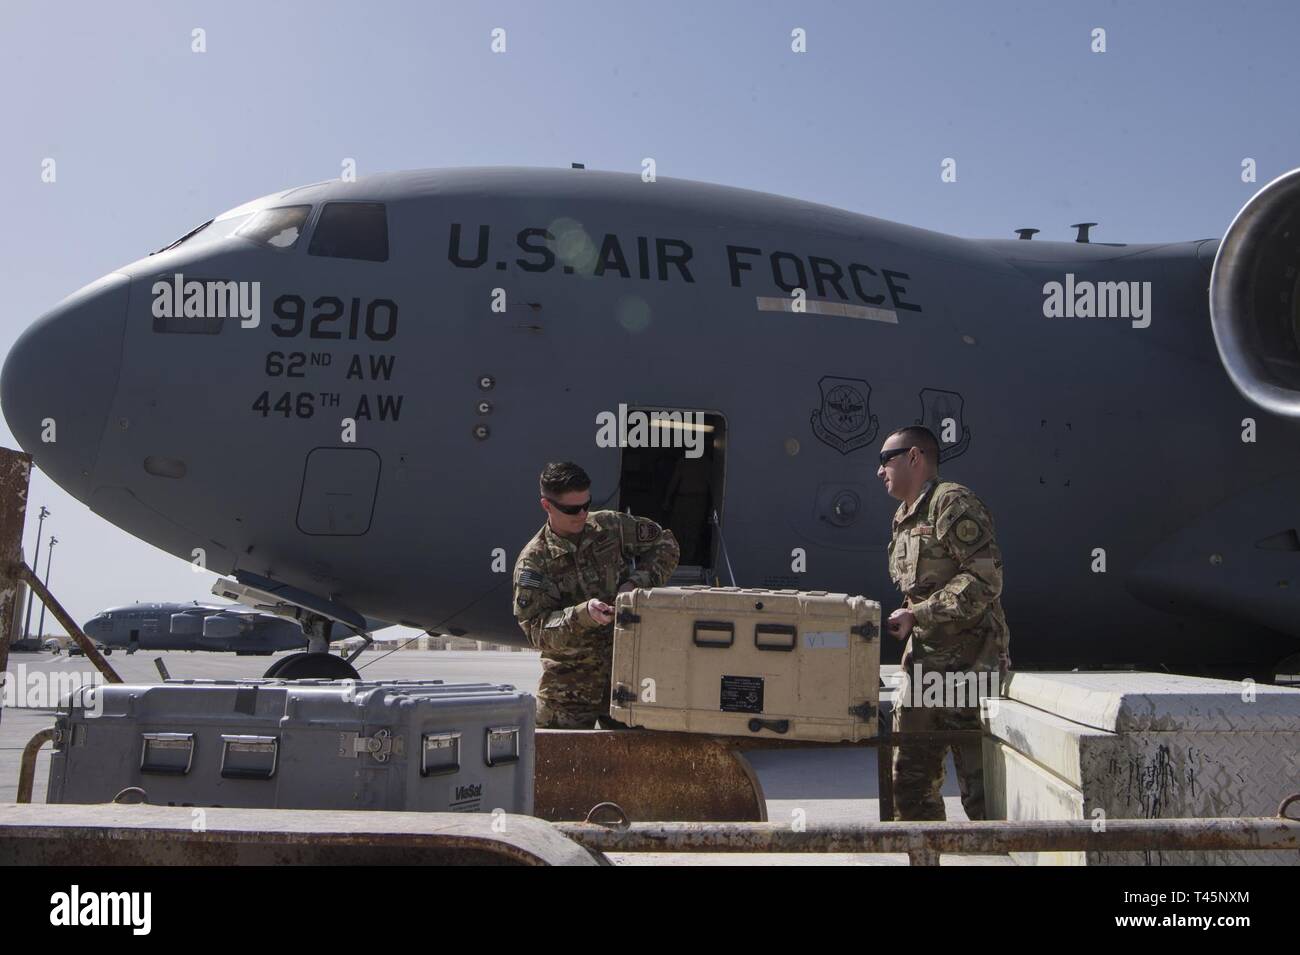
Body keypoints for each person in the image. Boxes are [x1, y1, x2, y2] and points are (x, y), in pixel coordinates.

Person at [877, 425, 1010, 821]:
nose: (879, 471)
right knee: (911, 788)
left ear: (914, 457)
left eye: (885, 460)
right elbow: (922, 585)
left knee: (984, 795)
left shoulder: (951, 503)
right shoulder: (903, 517)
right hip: (924, 667)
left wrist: (917, 613)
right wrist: (909, 615)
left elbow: (986, 579)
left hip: (971, 668)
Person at [512, 461, 680, 728]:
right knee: (561, 769)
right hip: (568, 695)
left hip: (626, 684)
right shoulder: (535, 562)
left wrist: (636, 583)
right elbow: (537, 631)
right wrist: (583, 615)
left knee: (637, 767)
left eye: (586, 504)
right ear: (547, 505)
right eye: (571, 509)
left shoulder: (610, 527)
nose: (581, 514)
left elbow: (666, 543)